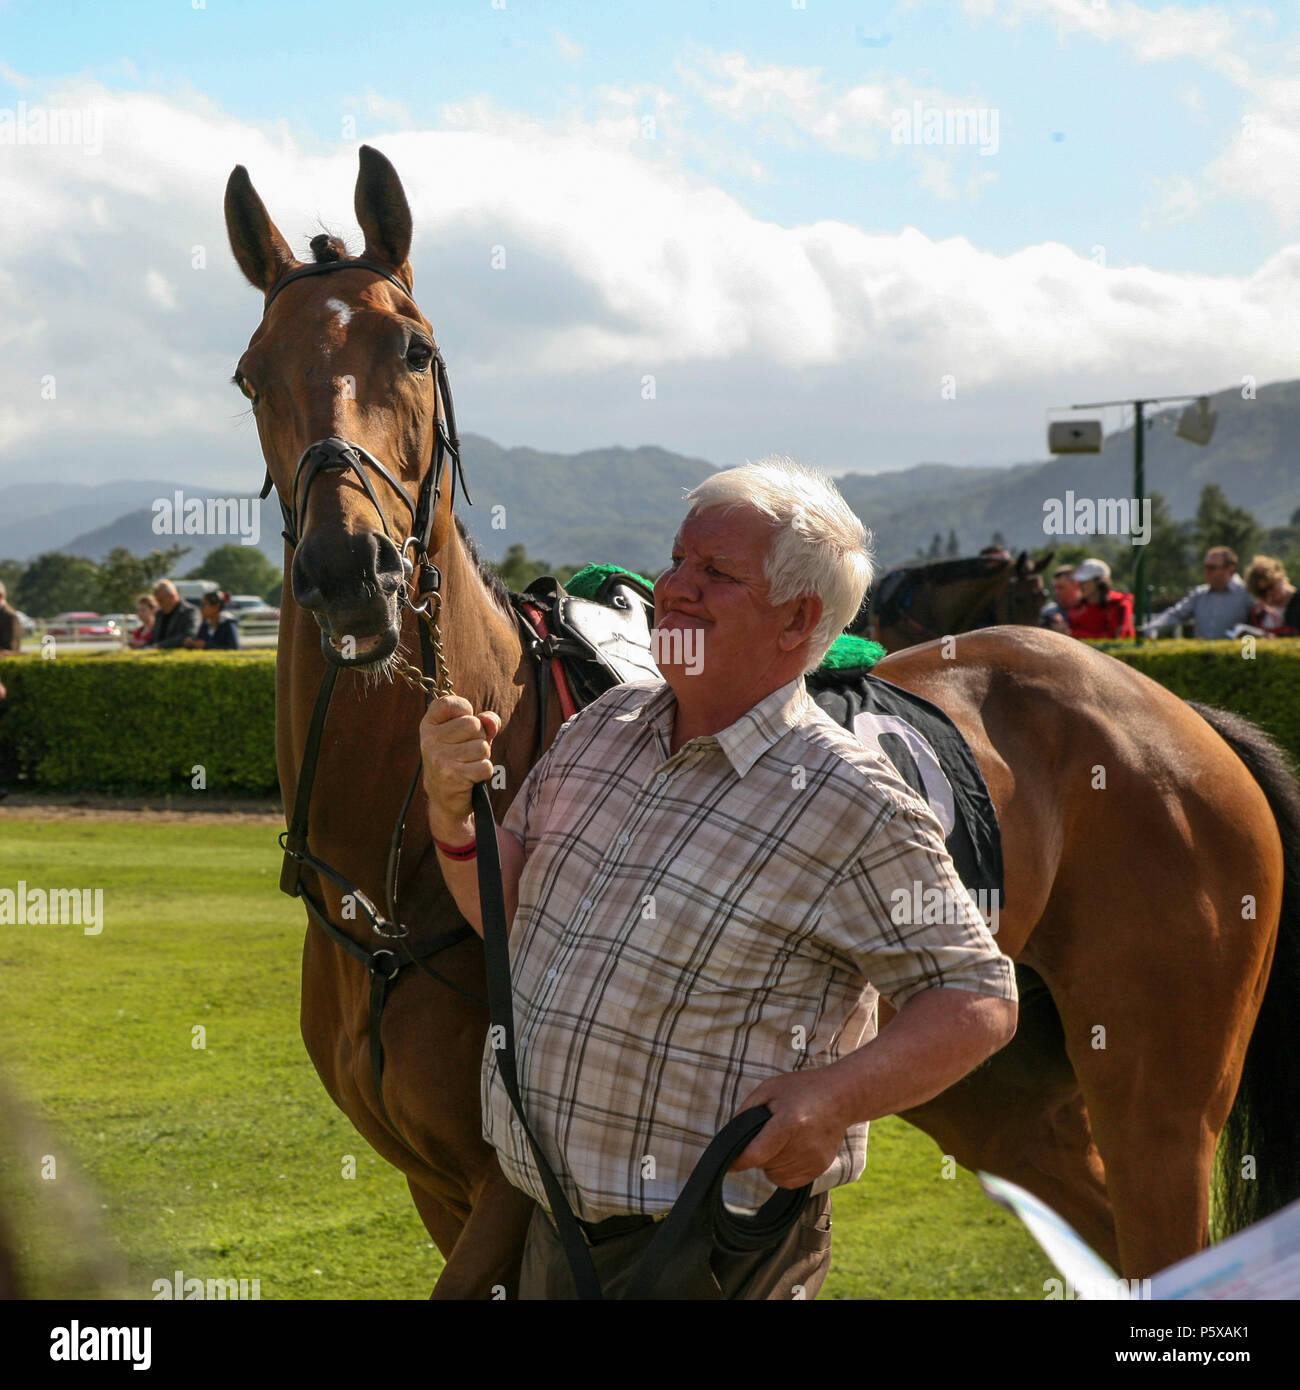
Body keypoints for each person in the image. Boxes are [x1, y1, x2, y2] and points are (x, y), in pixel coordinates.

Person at [419, 456, 1018, 1301]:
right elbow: (511, 911)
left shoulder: (851, 799)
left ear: (797, 619)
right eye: (676, 559)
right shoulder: (604, 726)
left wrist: (831, 1099)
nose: (673, 588)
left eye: (715, 572)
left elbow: (977, 998)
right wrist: (453, 812)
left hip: (706, 1254)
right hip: (549, 1225)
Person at [1145, 546, 1254, 640]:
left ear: (1230, 569)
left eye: (1211, 567)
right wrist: (1152, 628)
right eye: (1205, 567)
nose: (1206, 571)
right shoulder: (1200, 594)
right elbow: (1176, 614)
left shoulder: (1247, 593)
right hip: (1203, 656)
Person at [1065, 559, 1134, 640]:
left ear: (1099, 582)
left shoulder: (1119, 604)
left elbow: (1114, 639)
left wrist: (1071, 633)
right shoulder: (1077, 607)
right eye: (1079, 582)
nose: (1080, 585)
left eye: (1085, 581)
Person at [1243, 556, 1300, 637]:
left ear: (1280, 579)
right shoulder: (1259, 614)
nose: (1269, 593)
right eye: (1262, 592)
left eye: (1271, 587)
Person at [144, 581, 200, 649]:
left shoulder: (190, 612)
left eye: (161, 600)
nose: (158, 604)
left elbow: (189, 635)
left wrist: (161, 645)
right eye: (157, 601)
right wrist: (144, 647)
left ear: (173, 597)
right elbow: (154, 638)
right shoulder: (160, 613)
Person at [1040, 564, 1081, 634]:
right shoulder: (1047, 612)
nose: (1056, 592)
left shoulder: (1089, 611)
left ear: (1075, 586)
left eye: (1061, 587)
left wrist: (1068, 633)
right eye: (1054, 588)